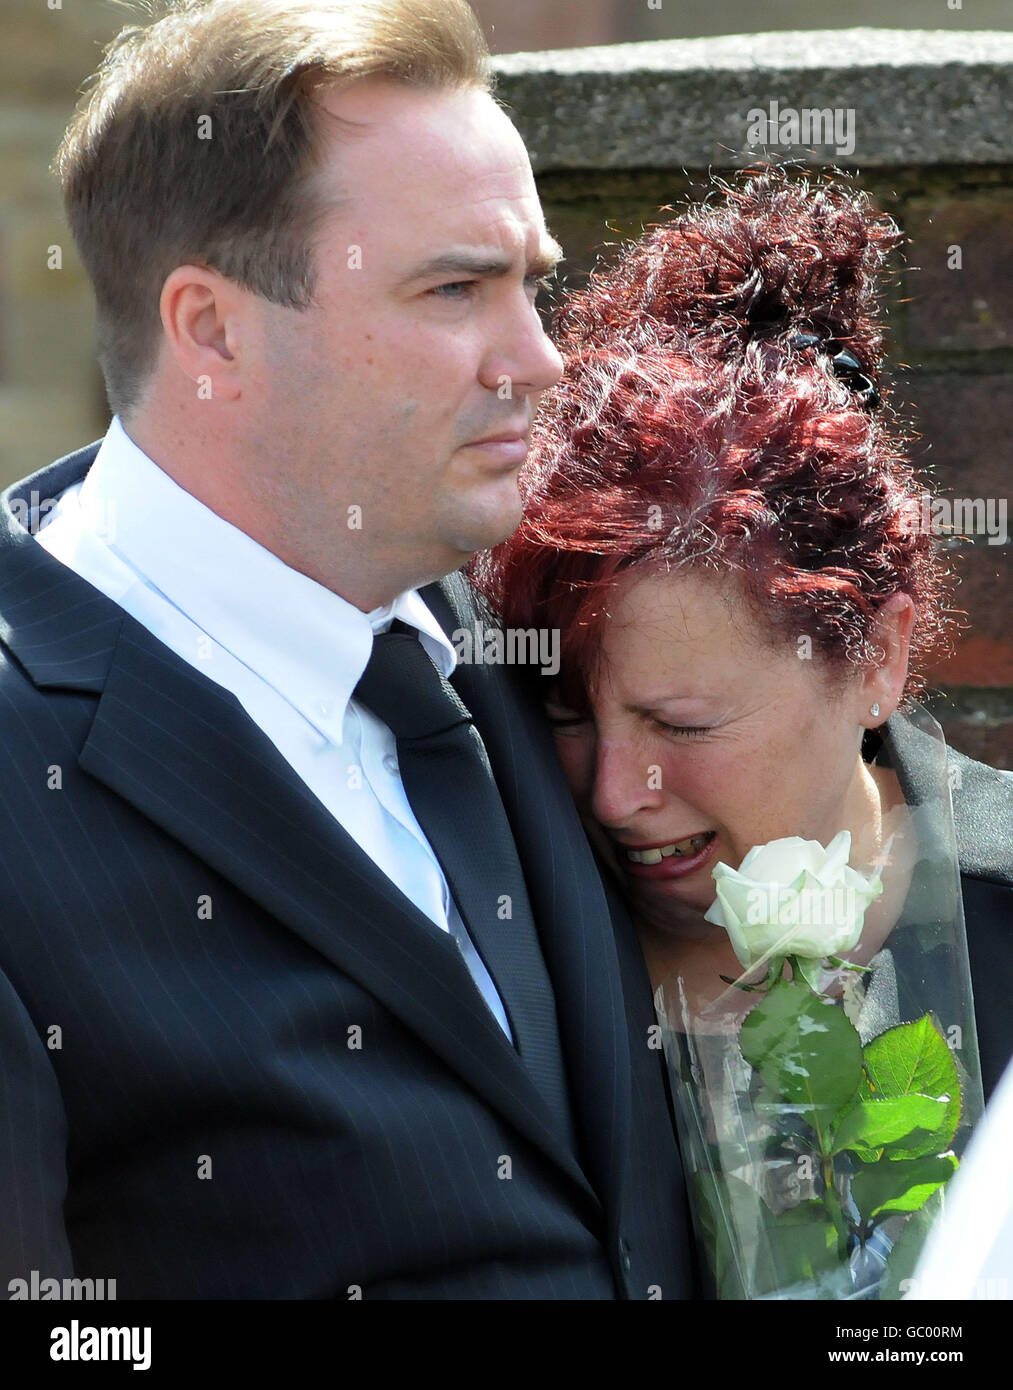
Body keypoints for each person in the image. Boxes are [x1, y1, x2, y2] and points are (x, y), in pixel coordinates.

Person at [0, 0, 697, 1300]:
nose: (541, 359)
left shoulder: (517, 636)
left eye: (530, 279)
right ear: (212, 332)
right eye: (455, 288)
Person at [472, 168, 1013, 1105]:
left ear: (874, 660)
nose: (611, 794)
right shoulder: (497, 940)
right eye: (565, 714)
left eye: (681, 724)